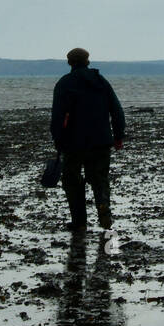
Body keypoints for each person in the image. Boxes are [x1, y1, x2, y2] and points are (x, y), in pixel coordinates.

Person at [50, 47, 125, 233]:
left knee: (72, 181)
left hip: (73, 143)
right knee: (100, 179)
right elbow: (117, 110)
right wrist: (118, 136)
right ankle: (103, 207)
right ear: (87, 61)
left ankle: (79, 222)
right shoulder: (101, 81)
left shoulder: (64, 83)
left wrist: (57, 139)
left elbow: (58, 116)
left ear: (69, 62)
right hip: (101, 140)